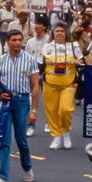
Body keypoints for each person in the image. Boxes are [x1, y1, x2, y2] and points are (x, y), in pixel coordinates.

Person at [0, 29, 40, 182]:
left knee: (21, 139)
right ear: (8, 42)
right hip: (6, 102)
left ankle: (27, 167)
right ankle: (3, 177)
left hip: (22, 100)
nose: (18, 43)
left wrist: (34, 110)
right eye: (14, 40)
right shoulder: (1, 60)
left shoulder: (30, 60)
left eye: (20, 40)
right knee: (4, 139)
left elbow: (35, 86)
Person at [38, 23, 81, 151]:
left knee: (65, 109)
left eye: (62, 31)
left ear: (66, 33)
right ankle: (56, 136)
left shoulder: (73, 46)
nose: (60, 33)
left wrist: (74, 61)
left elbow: (82, 61)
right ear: (53, 33)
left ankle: (66, 132)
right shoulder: (47, 47)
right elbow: (40, 65)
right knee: (51, 111)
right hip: (49, 83)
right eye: (57, 31)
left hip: (68, 83)